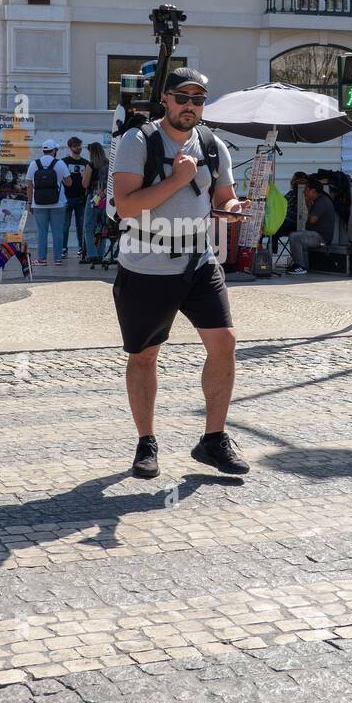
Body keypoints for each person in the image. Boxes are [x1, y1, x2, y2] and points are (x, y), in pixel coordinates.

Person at [112, 66, 250, 479]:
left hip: (199, 261)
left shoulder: (212, 145)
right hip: (146, 264)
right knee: (144, 356)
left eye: (198, 99)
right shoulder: (138, 141)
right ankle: (146, 443)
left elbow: (224, 197)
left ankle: (213, 439)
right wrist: (177, 180)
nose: (190, 106)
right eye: (183, 98)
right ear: (166, 100)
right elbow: (127, 206)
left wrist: (232, 210)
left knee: (224, 343)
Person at [26, 139, 72, 265]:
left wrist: (29, 203)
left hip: (38, 204)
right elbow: (69, 183)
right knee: (58, 231)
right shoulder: (60, 164)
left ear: (44, 150)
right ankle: (58, 259)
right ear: (54, 151)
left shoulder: (33, 164)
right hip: (58, 203)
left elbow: (29, 186)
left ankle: (42, 259)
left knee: (42, 232)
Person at [286, 178, 337, 275]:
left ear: (313, 191)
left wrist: (308, 205)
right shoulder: (319, 200)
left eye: (306, 190)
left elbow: (312, 220)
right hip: (316, 234)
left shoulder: (322, 201)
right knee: (299, 236)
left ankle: (300, 265)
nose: (304, 192)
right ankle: (304, 266)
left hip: (321, 238)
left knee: (294, 237)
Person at [81, 142, 109, 264]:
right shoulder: (109, 164)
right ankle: (100, 254)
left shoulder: (90, 165)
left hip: (93, 197)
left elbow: (85, 184)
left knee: (89, 225)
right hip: (106, 198)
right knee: (102, 225)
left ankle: (91, 254)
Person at [62, 136, 89, 260]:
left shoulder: (86, 163)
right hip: (66, 198)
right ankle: (63, 249)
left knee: (81, 225)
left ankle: (81, 249)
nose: (77, 148)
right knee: (65, 225)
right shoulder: (64, 162)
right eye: (75, 145)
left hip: (81, 198)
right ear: (70, 147)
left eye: (79, 145)